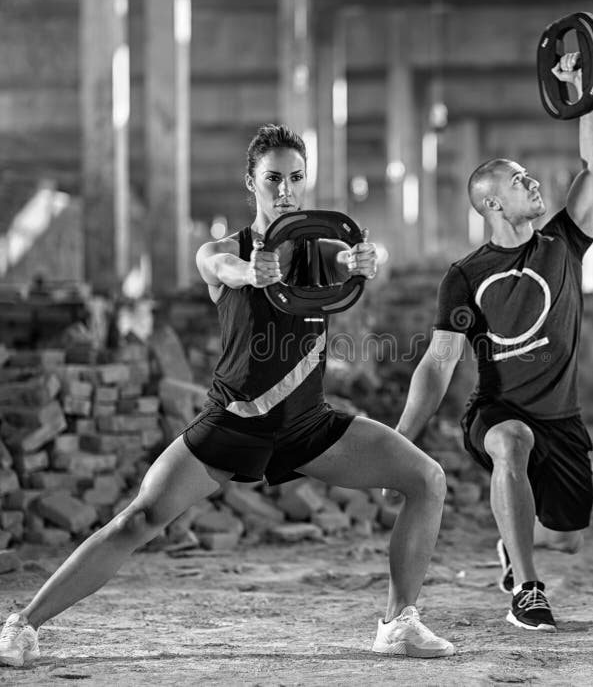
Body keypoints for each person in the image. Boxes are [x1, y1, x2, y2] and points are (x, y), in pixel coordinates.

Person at [0, 124, 454, 667]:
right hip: (235, 421)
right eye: (273, 179)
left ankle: (398, 623)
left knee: (427, 479)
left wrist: (364, 259)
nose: (285, 190)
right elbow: (225, 270)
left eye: (295, 178)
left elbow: (347, 260)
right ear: (251, 183)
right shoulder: (220, 252)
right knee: (138, 520)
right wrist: (250, 271)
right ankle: (22, 625)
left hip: (308, 426)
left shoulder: (320, 251)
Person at [394, 54, 593, 632]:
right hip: (496, 412)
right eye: (519, 181)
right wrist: (398, 443)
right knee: (511, 443)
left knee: (565, 536)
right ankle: (528, 588)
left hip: (561, 418)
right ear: (492, 203)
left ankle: (517, 555)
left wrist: (583, 94)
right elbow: (438, 366)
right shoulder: (466, 275)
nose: (533, 182)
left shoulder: (564, 244)